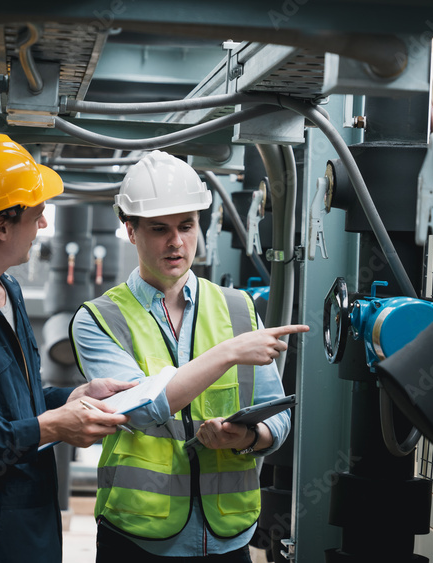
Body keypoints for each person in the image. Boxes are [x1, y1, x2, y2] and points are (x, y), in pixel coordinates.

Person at [70, 150, 309, 561]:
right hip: (137, 536)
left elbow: (278, 415)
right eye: (159, 228)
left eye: (186, 226)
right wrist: (229, 352)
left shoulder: (237, 308)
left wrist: (250, 437)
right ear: (130, 230)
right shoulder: (99, 319)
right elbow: (142, 408)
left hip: (228, 535)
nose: (176, 241)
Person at [0, 132, 135, 562]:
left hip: (33, 529)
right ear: (1, 226)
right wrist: (51, 428)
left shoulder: (9, 289)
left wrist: (70, 398)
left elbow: (18, 403)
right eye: (36, 214)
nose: (42, 225)